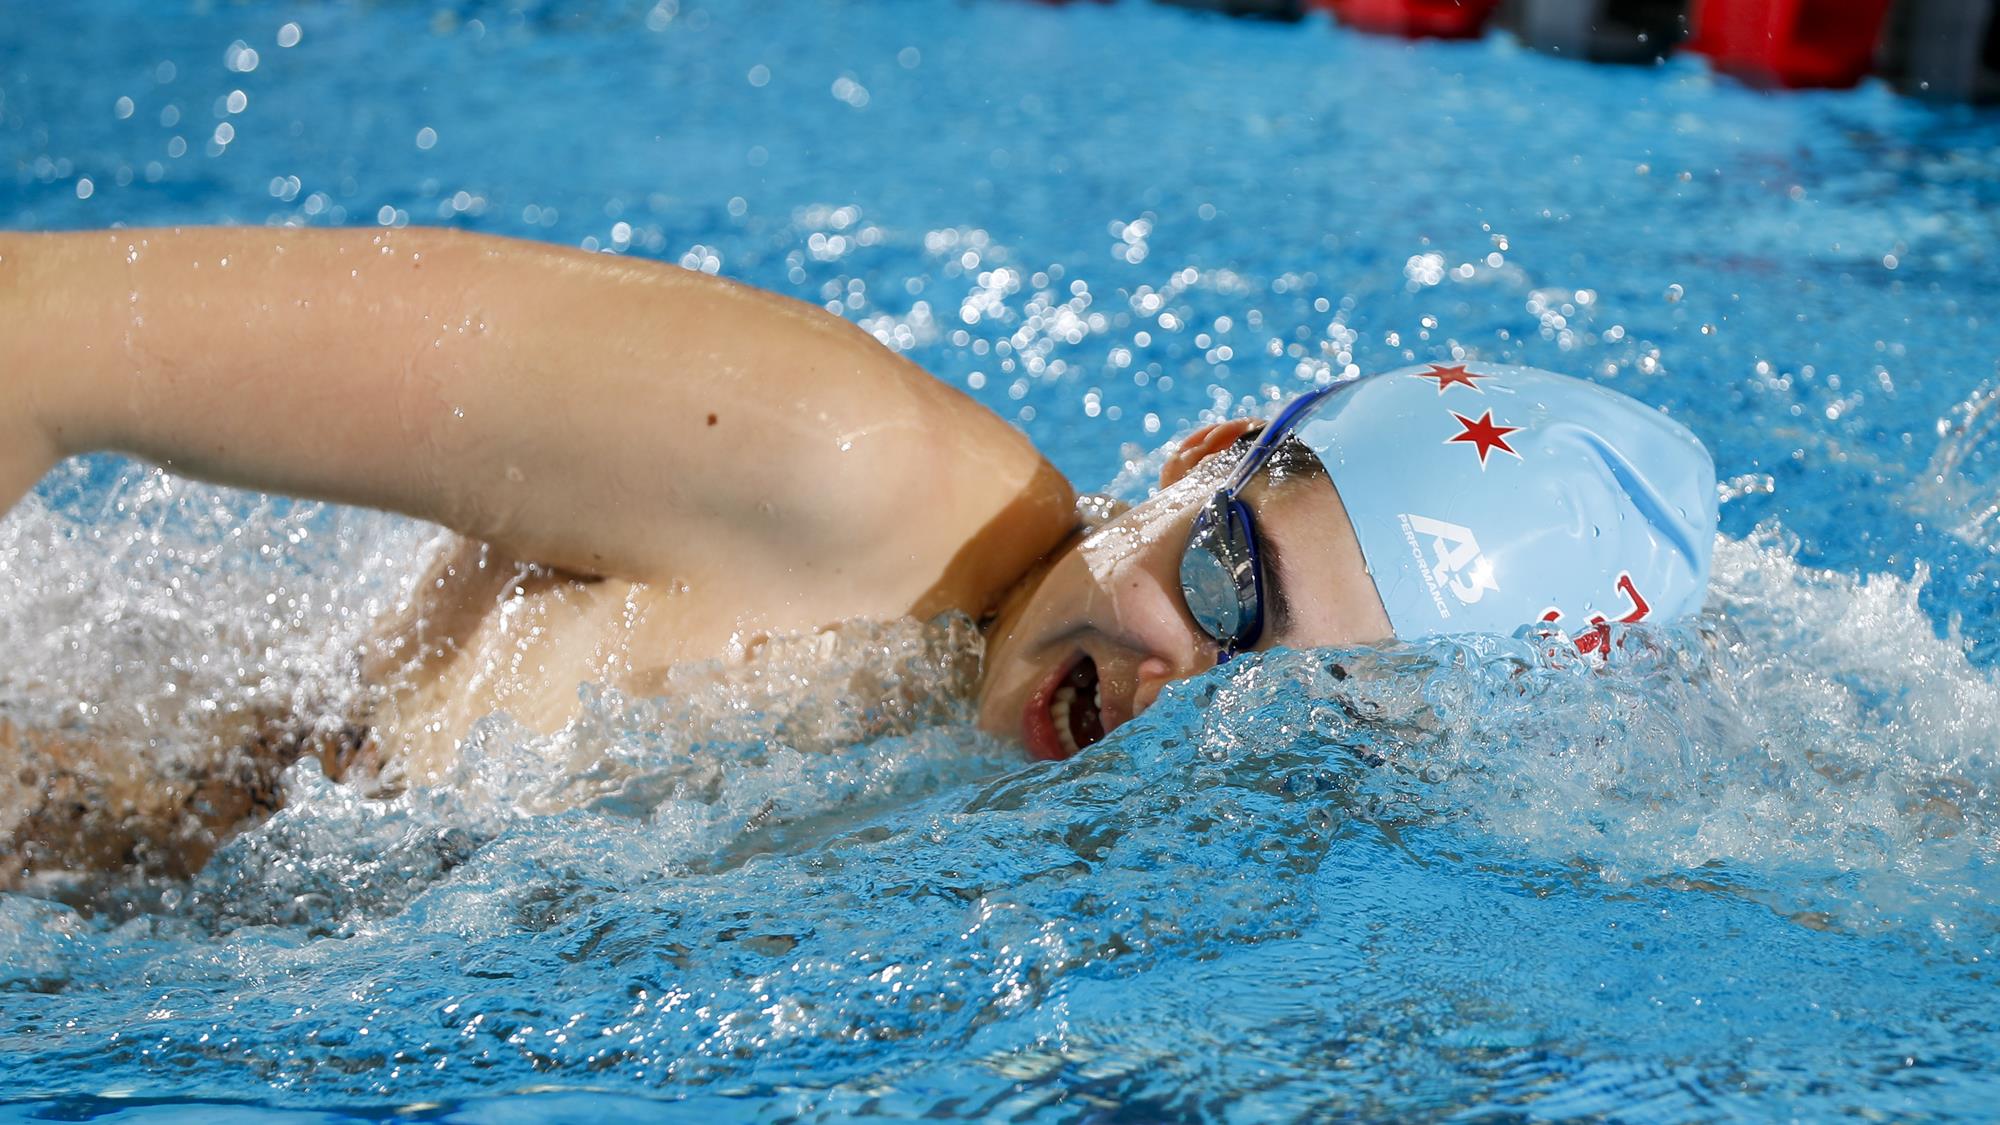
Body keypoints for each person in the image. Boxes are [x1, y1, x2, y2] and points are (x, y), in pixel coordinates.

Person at [0, 226, 1717, 888]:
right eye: (1225, 587)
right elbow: (34, 339)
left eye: (1310, 713)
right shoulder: (839, 472)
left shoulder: (1106, 874)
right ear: (1199, 459)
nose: (1174, 701)